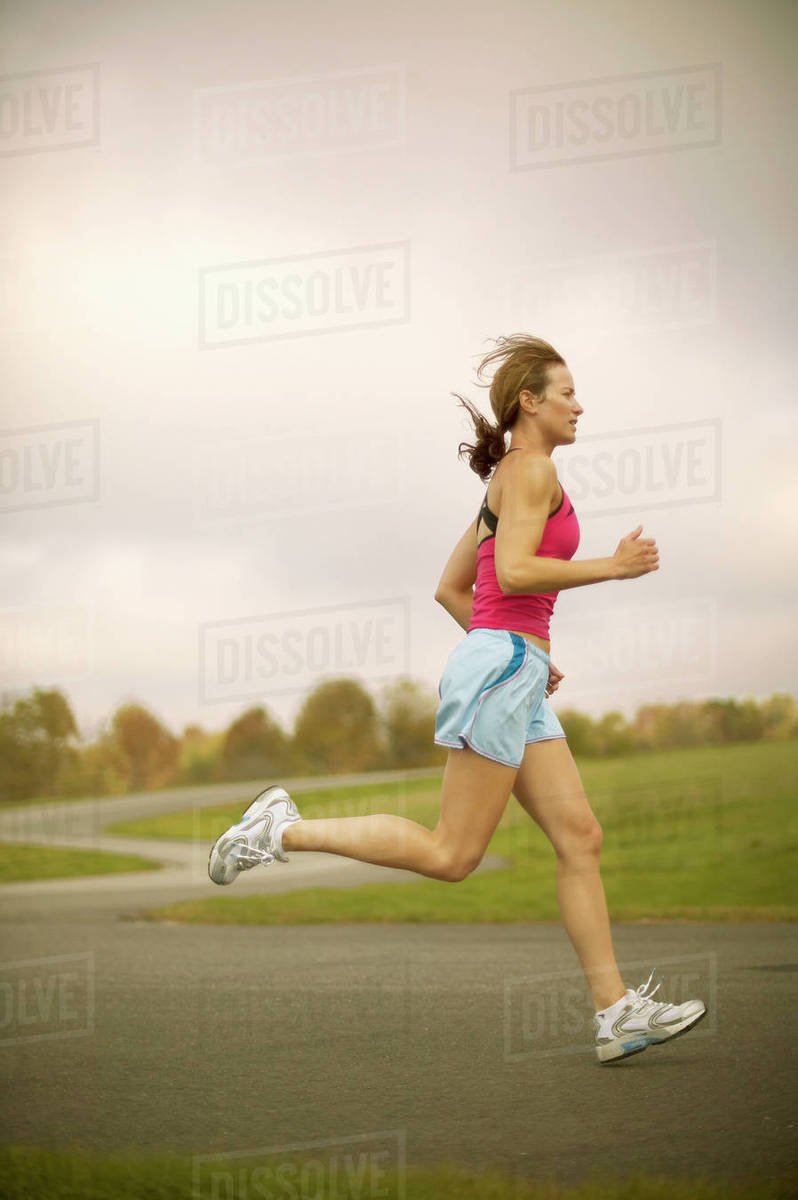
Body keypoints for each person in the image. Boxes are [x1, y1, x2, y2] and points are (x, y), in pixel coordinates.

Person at [208, 333, 707, 1064]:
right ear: (529, 401)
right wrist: (611, 569)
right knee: (452, 854)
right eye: (566, 393)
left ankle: (617, 1014)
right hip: (505, 667)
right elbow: (512, 569)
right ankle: (277, 831)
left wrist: (525, 654)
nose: (579, 405)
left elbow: (455, 587)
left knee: (580, 839)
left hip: (512, 667)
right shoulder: (531, 470)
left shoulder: (506, 477)